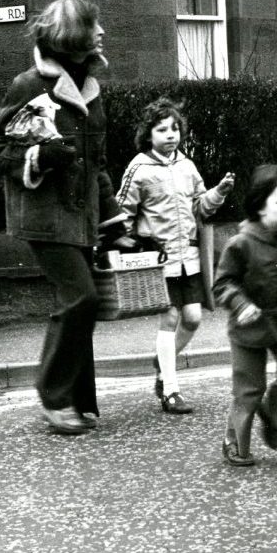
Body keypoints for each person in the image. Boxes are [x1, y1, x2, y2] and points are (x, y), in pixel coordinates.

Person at [0, 0, 126, 436]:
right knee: (81, 298)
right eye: (93, 25)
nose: (101, 31)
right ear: (72, 36)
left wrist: (115, 222)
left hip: (82, 216)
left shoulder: (91, 86)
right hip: (44, 215)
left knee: (85, 302)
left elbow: (98, 163)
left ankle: (79, 400)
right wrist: (39, 157)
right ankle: (54, 396)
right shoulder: (29, 84)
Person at [116, 97, 235, 415]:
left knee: (193, 318)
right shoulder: (139, 168)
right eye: (161, 129)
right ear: (148, 134)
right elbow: (123, 210)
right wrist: (126, 244)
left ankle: (162, 362)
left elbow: (201, 207)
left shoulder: (187, 166)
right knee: (169, 319)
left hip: (188, 258)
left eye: (174, 129)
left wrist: (219, 192)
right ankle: (170, 389)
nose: (170, 134)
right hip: (159, 259)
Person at [213, 164, 277, 467]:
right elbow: (222, 284)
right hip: (249, 325)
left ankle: (272, 417)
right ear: (260, 206)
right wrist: (240, 304)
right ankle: (235, 442)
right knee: (249, 390)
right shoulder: (241, 244)